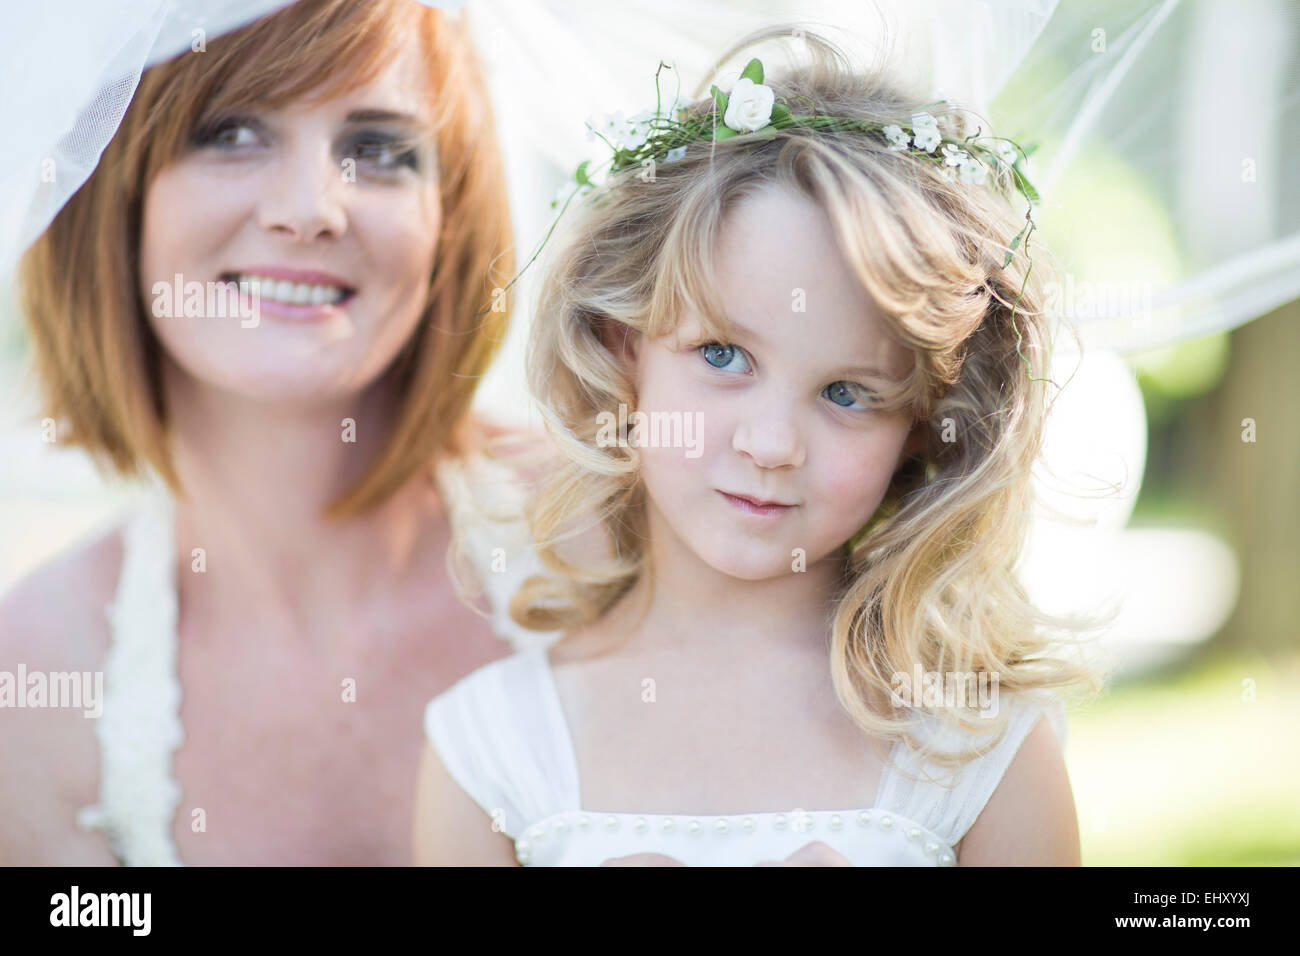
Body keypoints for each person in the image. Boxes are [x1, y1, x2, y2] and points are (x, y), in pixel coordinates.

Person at [416, 26, 1106, 866]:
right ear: (621, 346)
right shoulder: (493, 748)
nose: (773, 443)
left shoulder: (977, 748)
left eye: (847, 393)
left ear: (919, 426)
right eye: (722, 356)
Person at [0, 0, 531, 865]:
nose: (309, 208)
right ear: (109, 192)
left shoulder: (620, 535)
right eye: (231, 133)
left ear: (452, 220)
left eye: (379, 149)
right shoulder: (33, 678)